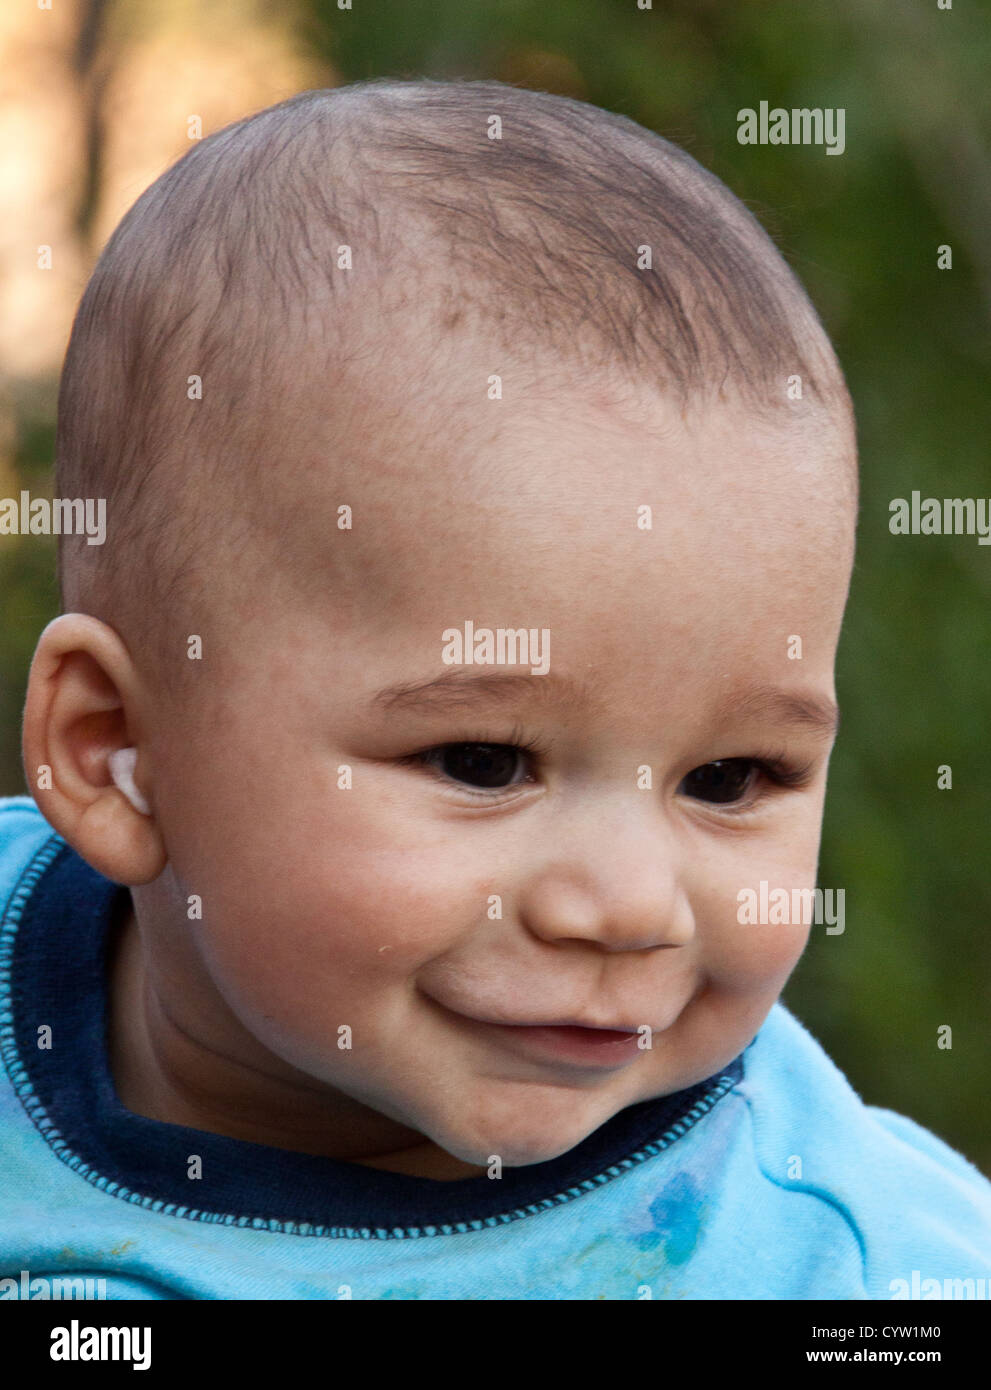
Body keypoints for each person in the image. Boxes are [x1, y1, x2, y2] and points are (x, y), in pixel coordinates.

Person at [2, 79, 988, 1299]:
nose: (626, 909)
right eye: (483, 762)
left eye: (730, 778)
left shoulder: (848, 1272)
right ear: (115, 750)